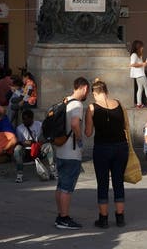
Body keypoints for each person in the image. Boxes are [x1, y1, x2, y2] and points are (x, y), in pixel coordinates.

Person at [84, 78, 128, 228]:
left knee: (102, 183)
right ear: (106, 91)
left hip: (102, 148)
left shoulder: (91, 108)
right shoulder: (119, 104)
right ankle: (120, 217)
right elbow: (123, 125)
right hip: (121, 147)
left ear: (94, 94)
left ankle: (103, 219)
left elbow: (88, 133)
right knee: (118, 181)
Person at [53, 76, 90, 230]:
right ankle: (64, 218)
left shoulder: (65, 101)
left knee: (60, 185)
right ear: (84, 88)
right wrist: (79, 139)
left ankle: (60, 214)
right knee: (67, 187)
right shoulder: (77, 105)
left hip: (60, 149)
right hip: (71, 151)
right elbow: (75, 123)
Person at [14, 108, 56, 183]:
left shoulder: (39, 125)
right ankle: (19, 174)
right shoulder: (19, 128)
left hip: (37, 149)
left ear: (32, 118)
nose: (25, 121)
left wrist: (36, 141)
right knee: (17, 149)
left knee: (48, 146)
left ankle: (53, 171)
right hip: (26, 151)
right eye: (23, 119)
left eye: (27, 119)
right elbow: (18, 142)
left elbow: (45, 138)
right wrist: (23, 143)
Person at [129, 40, 147, 108]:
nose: (142, 48)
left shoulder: (138, 55)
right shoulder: (134, 55)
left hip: (139, 74)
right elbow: (132, 64)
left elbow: (138, 65)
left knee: (140, 88)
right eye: (141, 47)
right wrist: (142, 64)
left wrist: (144, 64)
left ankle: (139, 103)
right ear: (138, 47)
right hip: (140, 74)